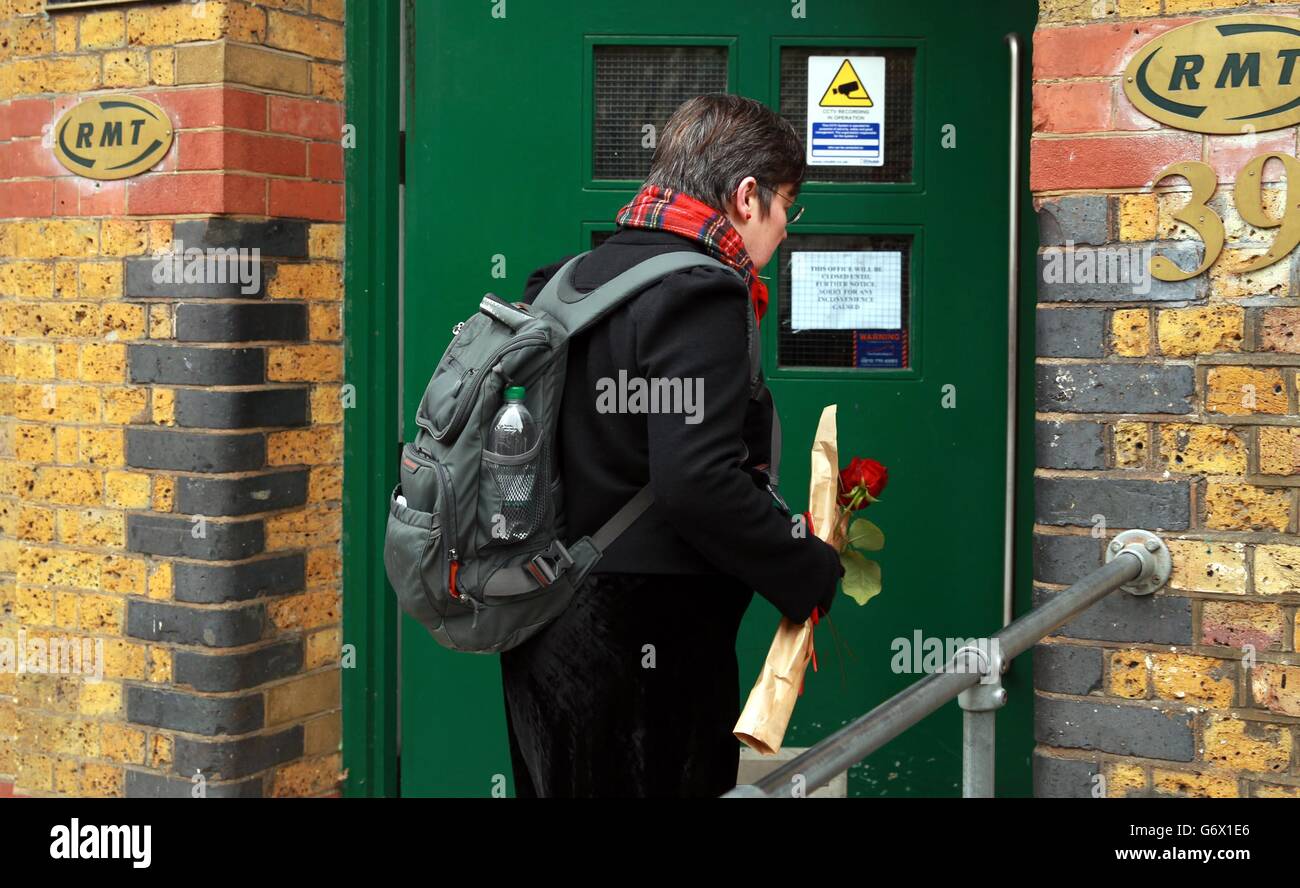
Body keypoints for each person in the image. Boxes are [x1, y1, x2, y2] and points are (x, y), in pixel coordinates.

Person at [500, 94, 844, 798]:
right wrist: (805, 567)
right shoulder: (701, 292)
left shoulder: (568, 282)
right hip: (639, 644)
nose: (784, 233)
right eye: (787, 209)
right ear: (747, 198)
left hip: (541, 621)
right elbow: (697, 479)